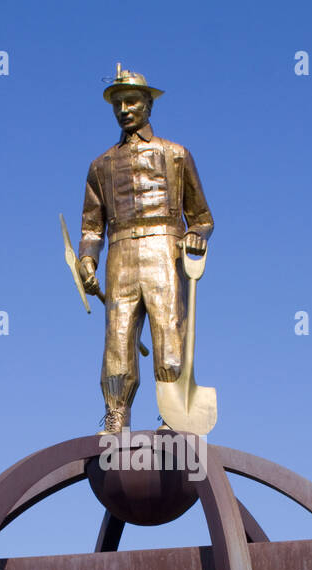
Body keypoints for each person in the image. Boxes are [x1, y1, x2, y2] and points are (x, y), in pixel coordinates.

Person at [78, 65, 214, 434]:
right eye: (117, 102)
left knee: (169, 333)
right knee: (117, 338)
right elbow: (92, 225)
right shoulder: (100, 166)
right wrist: (87, 258)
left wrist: (197, 235)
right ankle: (116, 415)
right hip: (120, 255)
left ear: (149, 104)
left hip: (165, 251)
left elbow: (201, 216)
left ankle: (172, 414)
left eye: (132, 100)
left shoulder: (176, 155)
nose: (124, 109)